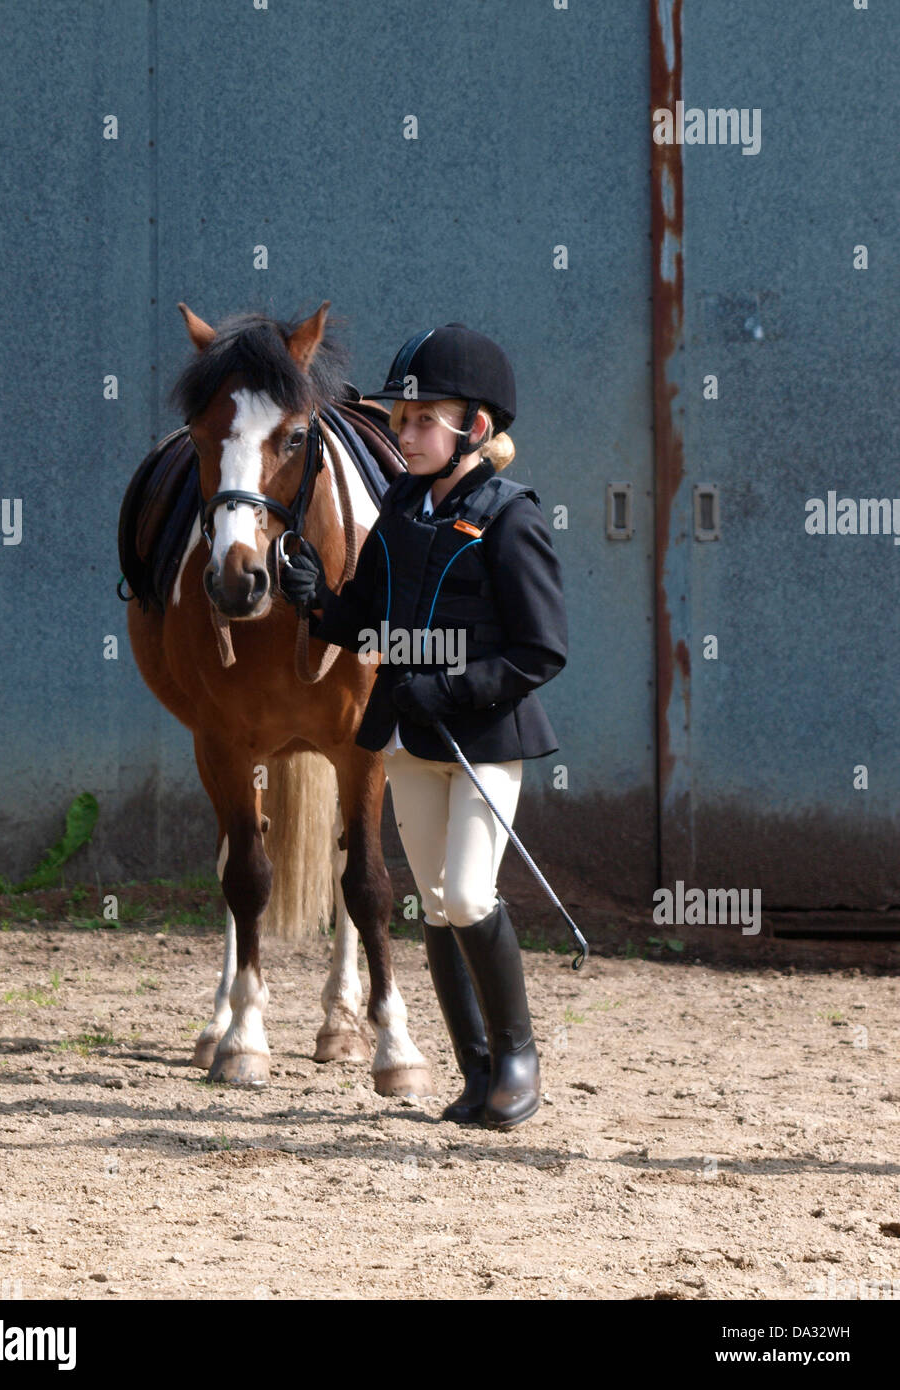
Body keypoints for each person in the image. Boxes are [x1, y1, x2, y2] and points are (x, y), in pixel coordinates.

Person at [280, 323, 568, 1130]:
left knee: (470, 892)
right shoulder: (400, 510)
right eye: (400, 421)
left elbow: (541, 651)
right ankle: (474, 1071)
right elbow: (362, 621)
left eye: (419, 421)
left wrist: (448, 689)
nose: (402, 435)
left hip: (480, 741)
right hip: (407, 738)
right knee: (435, 905)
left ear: (472, 428)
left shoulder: (512, 519)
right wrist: (313, 598)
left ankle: (517, 1061)